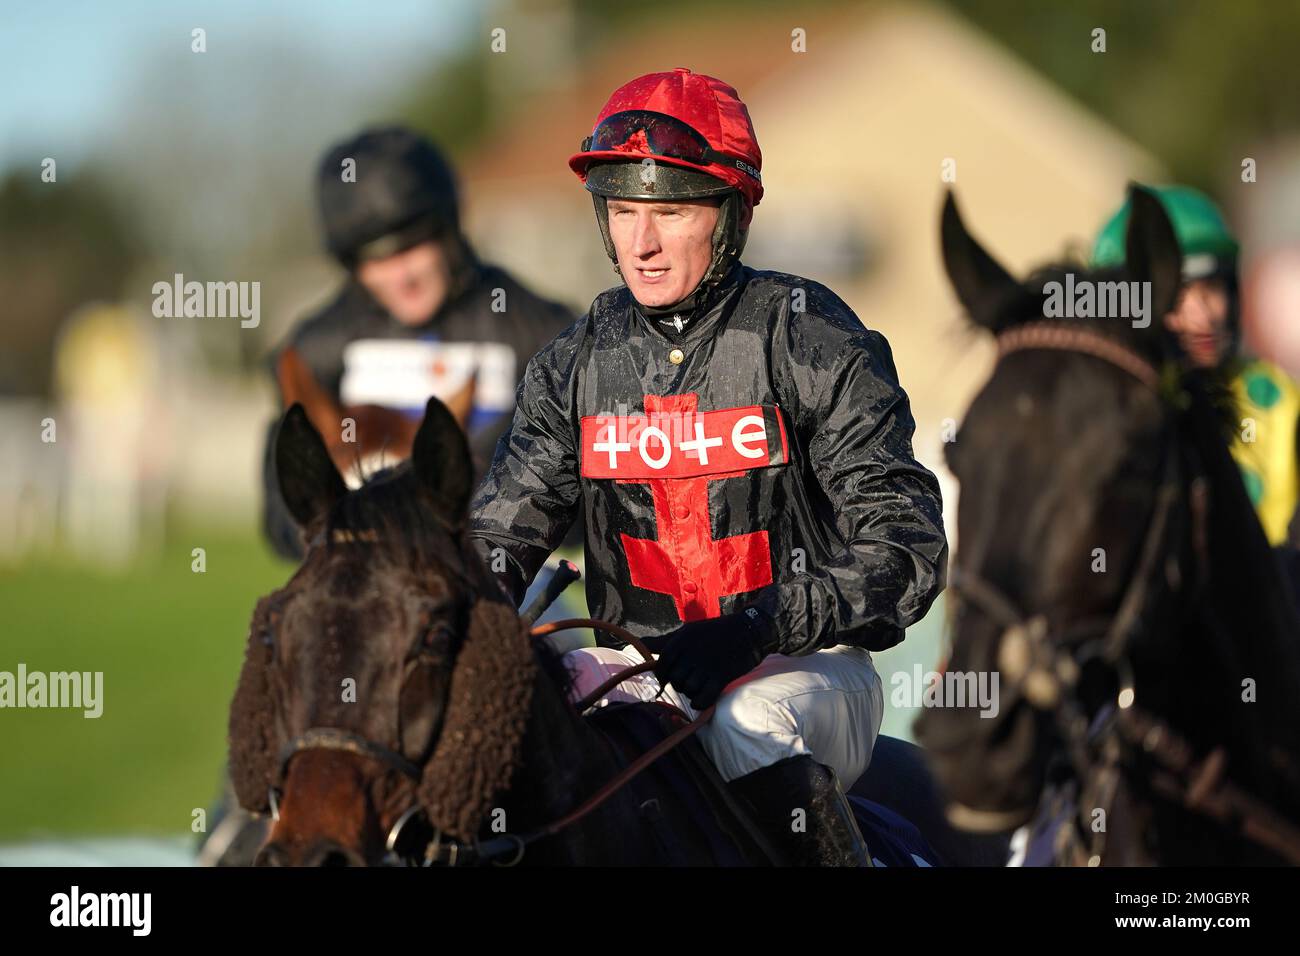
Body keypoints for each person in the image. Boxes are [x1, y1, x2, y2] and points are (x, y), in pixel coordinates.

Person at [469, 68, 948, 865]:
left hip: (805, 673)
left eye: (672, 213)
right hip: (632, 671)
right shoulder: (571, 366)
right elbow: (498, 539)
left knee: (745, 726)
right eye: (623, 212)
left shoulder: (813, 340)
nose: (641, 243)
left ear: (731, 215)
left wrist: (759, 626)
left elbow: (907, 551)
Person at [261, 125, 577, 561]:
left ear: (446, 230)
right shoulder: (314, 350)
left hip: (507, 574)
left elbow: (584, 493)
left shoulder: (543, 331)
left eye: (410, 248)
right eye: (376, 260)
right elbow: (284, 510)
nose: (400, 276)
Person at [1093, 185, 1300, 550]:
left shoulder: (1283, 403)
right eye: (1176, 296)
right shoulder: (1093, 411)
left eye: (1211, 290)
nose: (1202, 316)